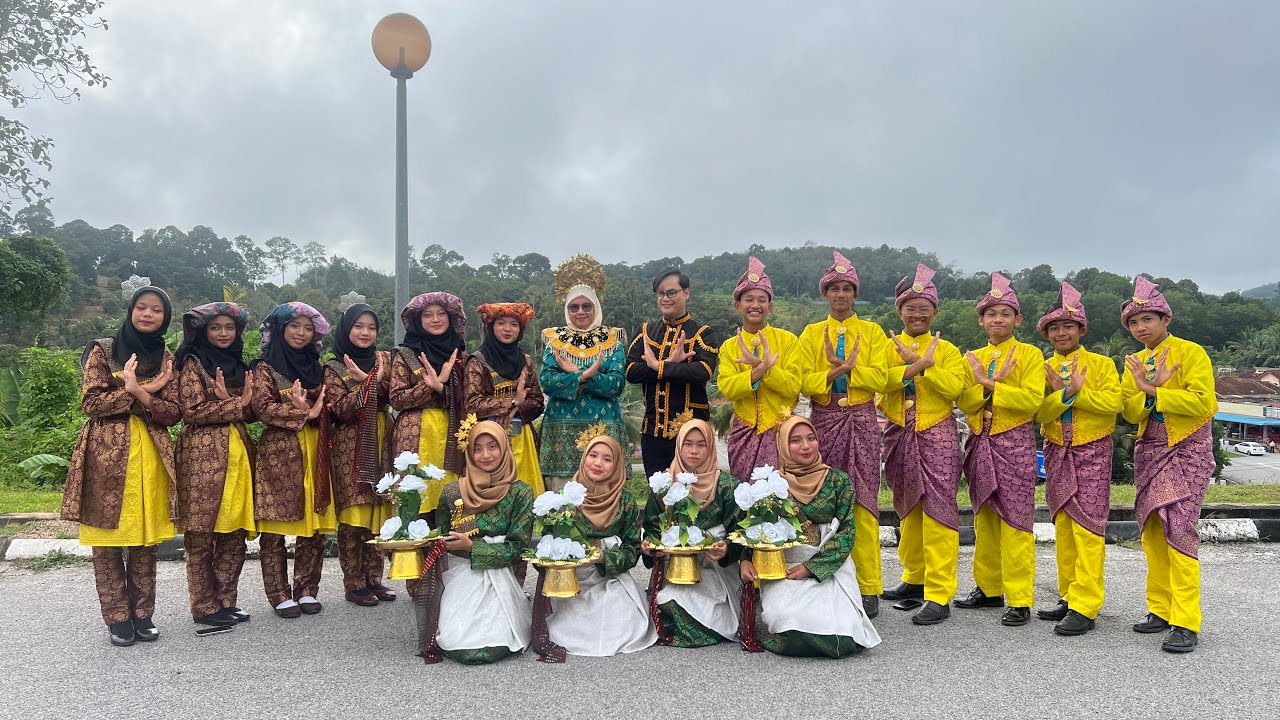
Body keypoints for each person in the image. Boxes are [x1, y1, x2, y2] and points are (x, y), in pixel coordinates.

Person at [61, 282, 179, 647]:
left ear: (165, 318)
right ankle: (117, 617)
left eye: (156, 310)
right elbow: (91, 403)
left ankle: (143, 615)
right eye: (142, 307)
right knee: (109, 539)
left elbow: (173, 413)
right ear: (131, 310)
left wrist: (144, 389)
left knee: (146, 539)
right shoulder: (104, 350)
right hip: (106, 455)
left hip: (152, 455)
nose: (148, 314)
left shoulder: (165, 357)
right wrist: (133, 392)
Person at [1120, 276, 1217, 653]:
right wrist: (1144, 394)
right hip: (1149, 451)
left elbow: (1203, 404)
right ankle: (1159, 609)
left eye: (1148, 319)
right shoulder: (1134, 362)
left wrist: (1157, 390)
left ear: (1165, 319)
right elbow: (1128, 410)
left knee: (1179, 528)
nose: (1141, 327)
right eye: (1133, 322)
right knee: (1153, 530)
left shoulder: (1191, 353)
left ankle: (1185, 620)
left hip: (1187, 449)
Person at [794, 251, 889, 617]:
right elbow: (803, 381)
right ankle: (825, 576)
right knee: (822, 500)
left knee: (863, 501)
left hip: (862, 420)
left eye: (847, 288)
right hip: (825, 419)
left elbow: (882, 377)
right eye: (833, 288)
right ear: (825, 294)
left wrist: (854, 368)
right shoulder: (812, 334)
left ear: (855, 293)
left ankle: (868, 585)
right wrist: (835, 373)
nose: (841, 294)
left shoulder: (873, 332)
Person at [741, 416, 882, 658]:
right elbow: (755, 529)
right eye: (795, 441)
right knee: (789, 617)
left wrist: (812, 567)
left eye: (811, 438)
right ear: (783, 445)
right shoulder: (771, 485)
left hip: (829, 565)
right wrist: (745, 559)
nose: (805, 446)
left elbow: (847, 531)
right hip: (784, 567)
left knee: (842, 627)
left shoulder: (838, 481)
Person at [954, 273, 1045, 626]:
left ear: (1017, 319)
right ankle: (989, 588)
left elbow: (1033, 401)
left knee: (1016, 521)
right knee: (984, 518)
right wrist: (980, 388)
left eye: (1005, 314)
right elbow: (963, 400)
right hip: (980, 442)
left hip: (1015, 443)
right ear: (981, 320)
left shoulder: (1030, 354)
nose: (997, 320)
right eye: (991, 314)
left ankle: (1020, 597)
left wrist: (991, 384)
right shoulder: (972, 357)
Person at [878, 265, 967, 625]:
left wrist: (921, 364)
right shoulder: (886, 347)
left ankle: (939, 591)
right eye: (910, 308)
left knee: (938, 511)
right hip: (899, 431)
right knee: (907, 508)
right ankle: (913, 578)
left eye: (923, 308)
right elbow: (880, 387)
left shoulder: (946, 349)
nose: (917, 314)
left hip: (937, 433)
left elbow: (955, 388)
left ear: (935, 312)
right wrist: (908, 369)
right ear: (899, 312)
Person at [1033, 282, 1123, 636]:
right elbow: (1039, 412)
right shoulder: (1042, 367)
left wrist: (1074, 393)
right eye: (1053, 328)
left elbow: (1113, 405)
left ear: (1081, 329)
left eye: (1067, 326)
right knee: (1065, 526)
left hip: (1092, 450)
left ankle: (1086, 605)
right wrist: (1063, 395)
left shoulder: (1100, 365)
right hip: (1057, 448)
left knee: (1088, 527)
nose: (1061, 333)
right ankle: (1069, 594)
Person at [420, 421, 534, 664]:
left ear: (504, 448)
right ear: (469, 453)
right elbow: (440, 538)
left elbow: (518, 549)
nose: (485, 455)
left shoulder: (520, 493)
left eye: (492, 446)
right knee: (457, 642)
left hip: (499, 575)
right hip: (460, 574)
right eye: (477, 449)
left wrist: (473, 548)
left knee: (494, 642)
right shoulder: (452, 492)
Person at [174, 301, 256, 629]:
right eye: (215, 327)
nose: (223, 333)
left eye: (229, 328)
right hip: (202, 457)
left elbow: (252, 411)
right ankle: (203, 605)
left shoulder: (239, 364)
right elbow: (191, 410)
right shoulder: (192, 362)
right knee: (201, 534)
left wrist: (235, 404)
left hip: (238, 455)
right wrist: (237, 403)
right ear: (203, 331)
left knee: (233, 530)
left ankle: (226, 599)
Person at [249, 302, 334, 619]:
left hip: (316, 447)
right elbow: (262, 408)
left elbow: (332, 406)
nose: (301, 332)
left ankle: (307, 589)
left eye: (307, 327)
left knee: (315, 523)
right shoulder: (264, 367)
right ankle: (279, 593)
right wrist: (304, 412)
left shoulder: (317, 367)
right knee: (276, 524)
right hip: (279, 452)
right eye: (294, 325)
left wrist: (318, 412)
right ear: (280, 329)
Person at [544, 435, 658, 657]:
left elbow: (632, 550)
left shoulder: (625, 501)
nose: (597, 463)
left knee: (618, 618)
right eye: (592, 456)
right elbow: (547, 545)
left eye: (607, 459)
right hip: (571, 579)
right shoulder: (564, 498)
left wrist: (605, 558)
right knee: (570, 625)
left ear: (617, 465)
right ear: (583, 458)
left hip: (609, 577)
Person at [642, 419, 741, 647]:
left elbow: (739, 532)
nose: (694, 451)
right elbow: (651, 529)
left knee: (700, 608)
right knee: (672, 598)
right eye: (687, 444)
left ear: (710, 447)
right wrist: (650, 547)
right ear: (678, 446)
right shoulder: (664, 484)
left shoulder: (726, 485)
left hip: (716, 570)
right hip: (676, 568)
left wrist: (726, 548)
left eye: (701, 444)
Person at [324, 300, 397, 607]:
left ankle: (374, 578)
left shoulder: (385, 359)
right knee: (354, 513)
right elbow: (340, 409)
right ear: (346, 329)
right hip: (350, 443)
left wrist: (371, 382)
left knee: (378, 511)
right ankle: (353, 582)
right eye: (358, 326)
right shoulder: (333, 367)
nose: (365, 333)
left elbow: (395, 393)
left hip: (382, 437)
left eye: (371, 328)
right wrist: (369, 383)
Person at [539, 255, 629, 491]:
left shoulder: (612, 339)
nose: (580, 312)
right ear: (567, 309)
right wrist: (583, 376)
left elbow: (616, 385)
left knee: (603, 496)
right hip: (562, 432)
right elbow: (547, 382)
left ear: (596, 307)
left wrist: (577, 373)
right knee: (563, 500)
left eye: (586, 306)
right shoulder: (554, 339)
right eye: (574, 307)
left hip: (604, 428)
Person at [625, 267, 720, 474]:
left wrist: (659, 367)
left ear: (686, 292)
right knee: (658, 495)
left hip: (691, 437)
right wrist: (671, 364)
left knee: (694, 496)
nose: (665, 298)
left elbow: (703, 371)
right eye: (661, 293)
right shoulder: (645, 332)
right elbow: (631, 372)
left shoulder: (703, 333)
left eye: (671, 292)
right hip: (653, 433)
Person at [716, 257, 801, 481]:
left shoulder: (788, 340)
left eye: (762, 300)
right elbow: (728, 388)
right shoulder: (728, 346)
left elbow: (793, 387)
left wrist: (765, 370)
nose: (755, 305)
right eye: (749, 299)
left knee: (782, 499)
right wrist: (759, 370)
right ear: (738, 305)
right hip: (744, 431)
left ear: (770, 306)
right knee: (744, 497)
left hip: (779, 431)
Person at [390, 292, 468, 512]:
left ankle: (449, 545)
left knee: (451, 499)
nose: (435, 319)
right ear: (418, 320)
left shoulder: (459, 354)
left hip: (451, 432)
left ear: (451, 318)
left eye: (441, 314)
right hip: (414, 433)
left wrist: (441, 388)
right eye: (428, 315)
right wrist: (431, 385)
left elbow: (468, 397)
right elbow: (396, 398)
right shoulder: (404, 353)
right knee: (415, 499)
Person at [464, 302, 546, 497]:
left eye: (514, 324)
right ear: (490, 327)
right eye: (501, 323)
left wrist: (517, 408)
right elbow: (472, 403)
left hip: (522, 438)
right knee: (493, 496)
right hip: (488, 440)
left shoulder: (525, 360)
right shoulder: (477, 360)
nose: (508, 329)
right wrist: (512, 402)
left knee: (526, 494)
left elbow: (537, 400)